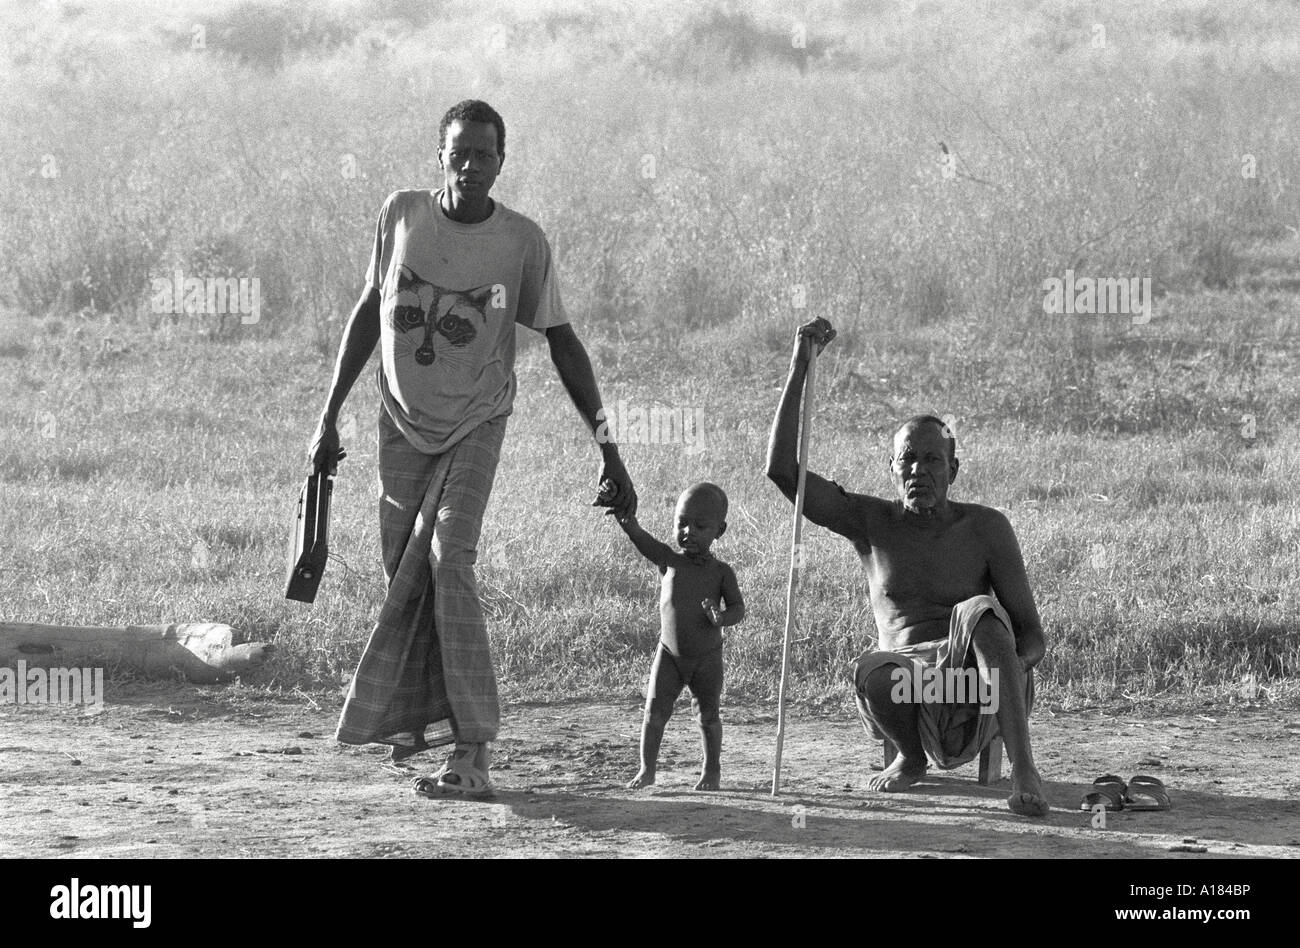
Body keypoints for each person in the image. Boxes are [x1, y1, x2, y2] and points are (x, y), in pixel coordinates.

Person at [308, 99, 636, 798]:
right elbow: (370, 308)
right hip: (399, 423)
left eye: (484, 154)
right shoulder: (401, 215)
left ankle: (474, 747)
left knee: (449, 558)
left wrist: (609, 447)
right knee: (405, 572)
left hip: (478, 420)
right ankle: (417, 718)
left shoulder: (521, 242)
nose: (470, 166)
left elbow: (562, 340)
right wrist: (328, 414)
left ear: (501, 161)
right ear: (440, 158)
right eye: (458, 152)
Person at [764, 318, 1049, 817]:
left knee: (981, 611)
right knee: (872, 671)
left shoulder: (987, 528)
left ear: (953, 469)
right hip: (906, 690)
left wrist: (1001, 677)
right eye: (908, 460)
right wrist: (799, 367)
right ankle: (910, 759)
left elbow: (1032, 637)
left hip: (976, 690)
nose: (920, 470)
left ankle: (1025, 768)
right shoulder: (870, 520)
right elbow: (782, 471)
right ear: (891, 469)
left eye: (933, 460)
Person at [611, 482, 745, 791]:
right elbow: (642, 540)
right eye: (682, 523)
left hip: (708, 657)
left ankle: (712, 772)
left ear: (719, 530)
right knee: (654, 712)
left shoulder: (722, 572)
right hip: (669, 655)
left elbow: (738, 608)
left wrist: (722, 617)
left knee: (709, 716)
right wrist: (626, 520)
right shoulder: (669, 560)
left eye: (700, 526)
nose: (689, 532)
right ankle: (647, 769)